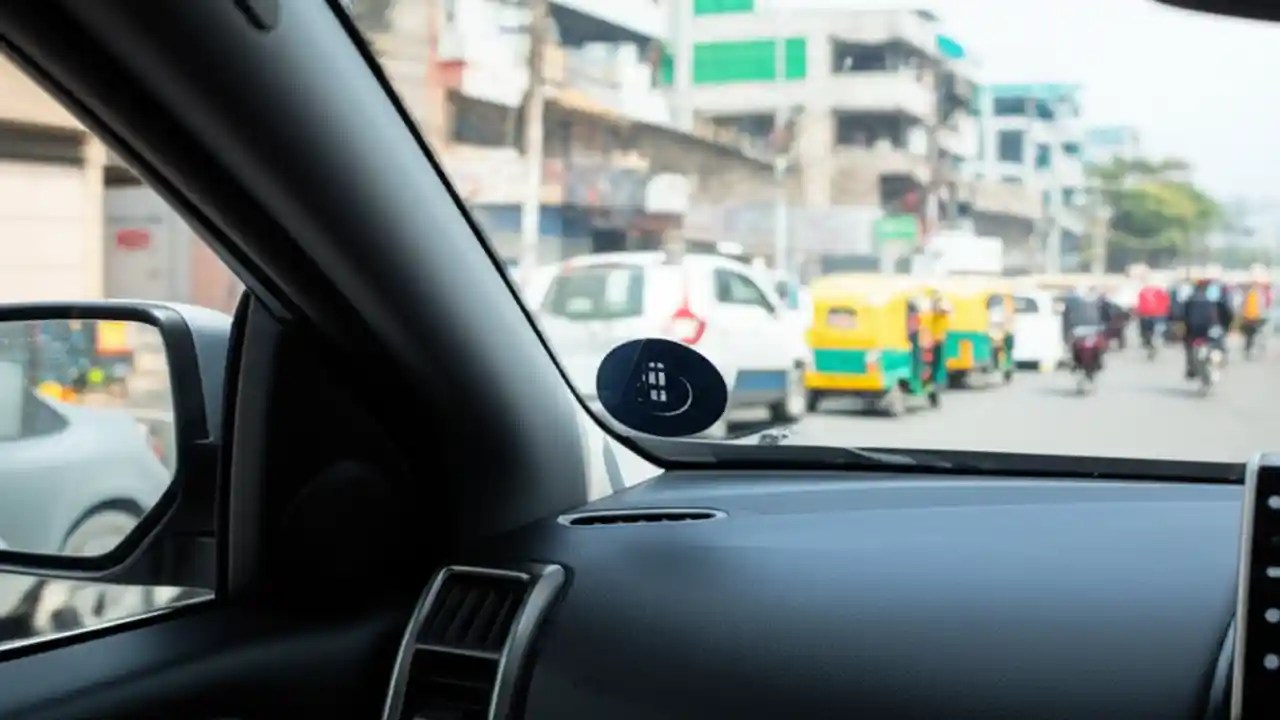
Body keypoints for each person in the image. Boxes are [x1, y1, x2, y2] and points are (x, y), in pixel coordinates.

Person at [1182, 277, 1234, 379]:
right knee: (1220, 347)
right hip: (1213, 330)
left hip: (1195, 332)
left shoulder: (1192, 297)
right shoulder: (1219, 297)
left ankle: (1191, 368)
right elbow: (1228, 314)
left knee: (1190, 347)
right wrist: (1226, 327)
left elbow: (1184, 315)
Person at [1135, 282, 1171, 351]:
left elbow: (1140, 305)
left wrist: (1139, 312)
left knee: (1147, 330)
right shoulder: (1162, 292)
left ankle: (1149, 342)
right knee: (1159, 329)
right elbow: (1167, 304)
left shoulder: (1143, 292)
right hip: (1160, 314)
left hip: (1145, 314)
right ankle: (1156, 342)